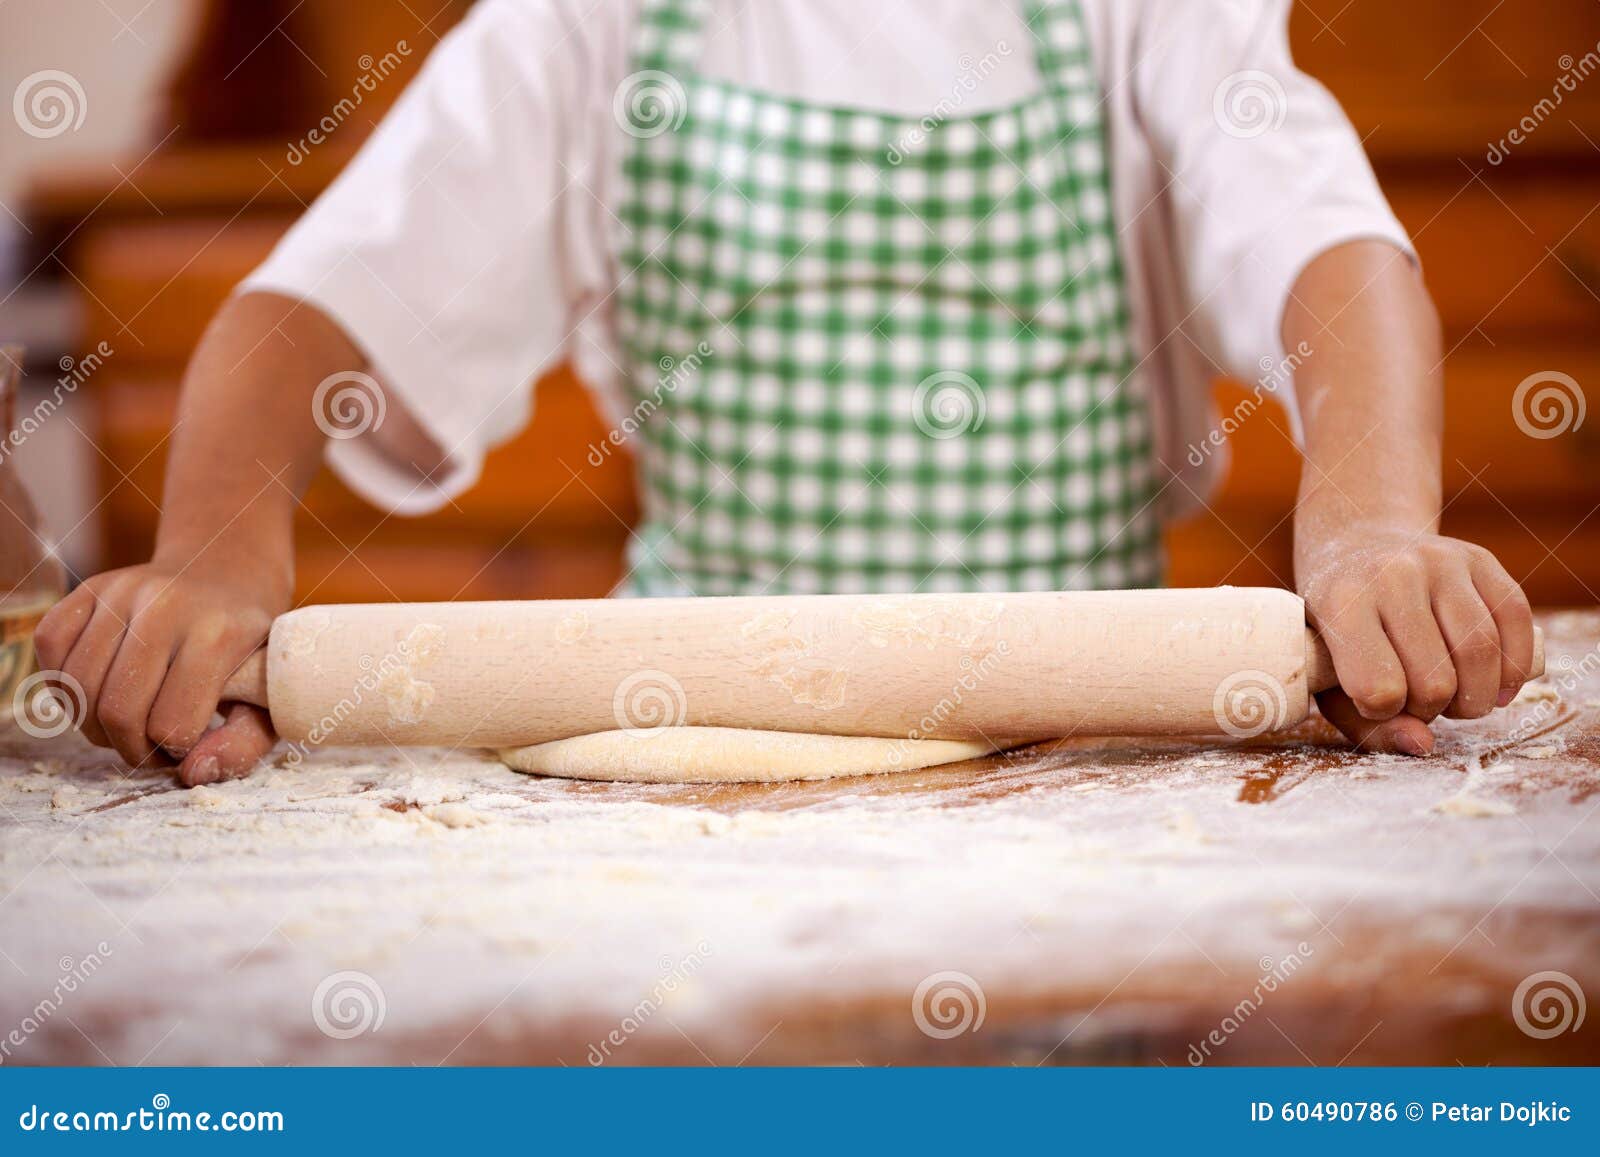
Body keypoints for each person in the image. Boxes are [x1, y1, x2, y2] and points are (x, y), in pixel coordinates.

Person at [35, 0, 1536, 784]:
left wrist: (1367, 530)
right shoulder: (589, 25)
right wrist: (217, 561)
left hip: (1084, 750)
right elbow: (305, 313)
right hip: (682, 747)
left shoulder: (1141, 11)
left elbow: (1332, 252)